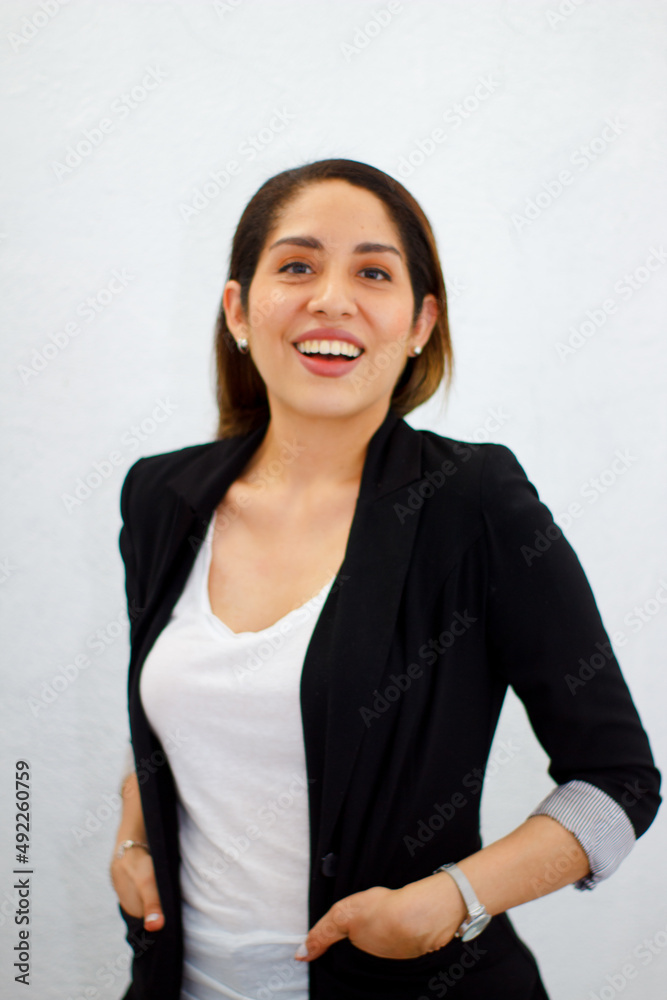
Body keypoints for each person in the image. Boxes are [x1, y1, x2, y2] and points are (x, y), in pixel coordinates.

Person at [110, 158, 661, 1000]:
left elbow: (617, 783)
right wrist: (132, 840)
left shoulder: (471, 502)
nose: (331, 297)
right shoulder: (161, 498)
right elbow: (180, 710)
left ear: (418, 322)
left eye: (373, 272)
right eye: (296, 266)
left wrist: (453, 900)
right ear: (238, 311)